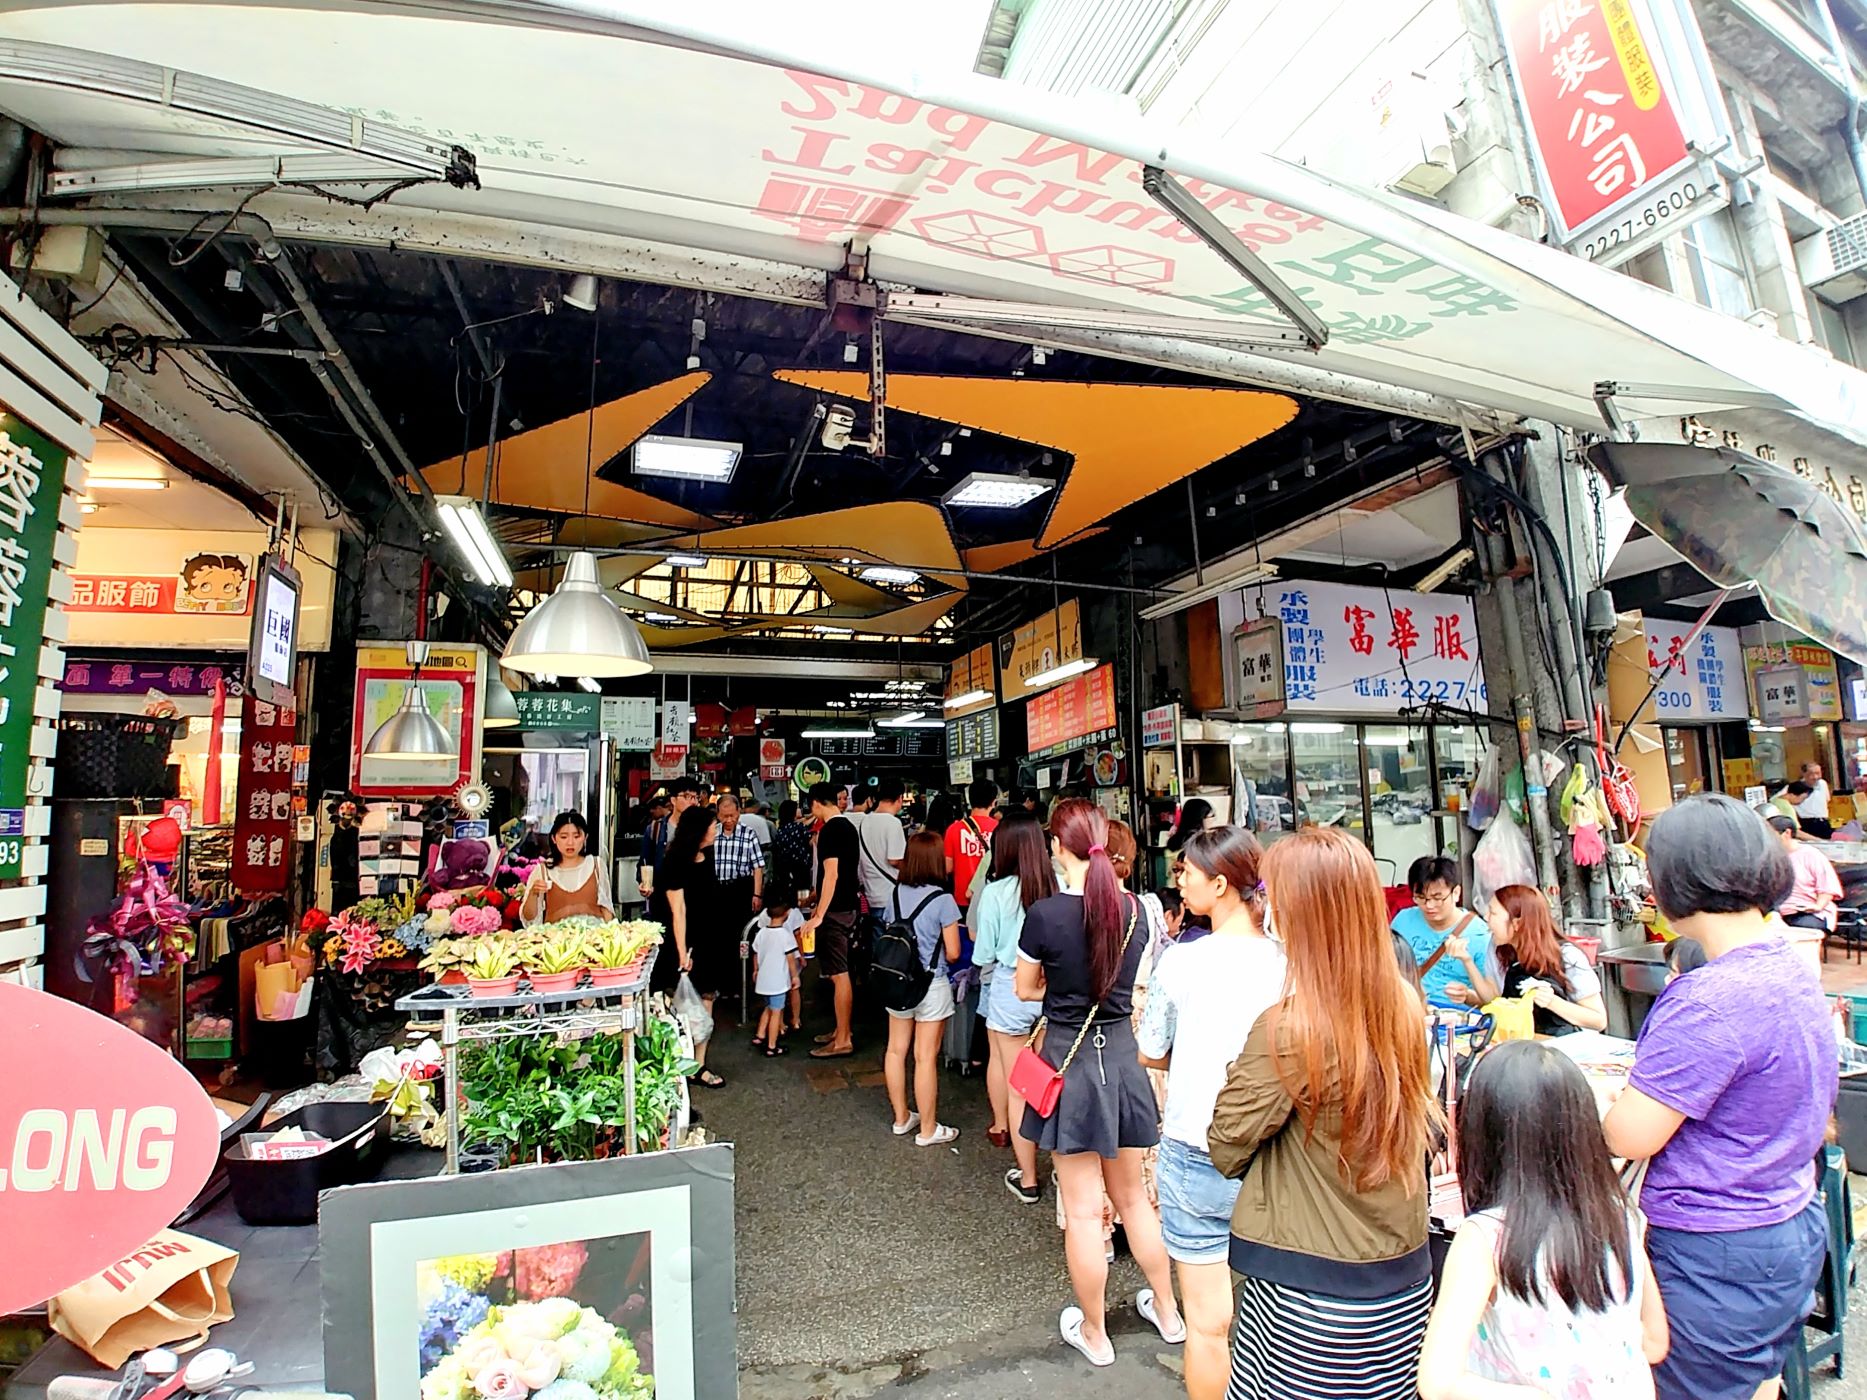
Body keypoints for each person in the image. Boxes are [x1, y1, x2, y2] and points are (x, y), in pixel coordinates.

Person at [1603, 794, 1836, 1400]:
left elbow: (1629, 1135)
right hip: (1789, 1223)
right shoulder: (1791, 966)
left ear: (1678, 880)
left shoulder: (1707, 998)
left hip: (1715, 1253)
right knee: (1754, 1383)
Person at [1208, 827, 1437, 1400]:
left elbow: (1226, 1142)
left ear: (1306, 913)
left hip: (1307, 1292)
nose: (1266, 904)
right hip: (1403, 1282)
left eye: (1273, 891)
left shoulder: (1290, 1027)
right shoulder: (1404, 1004)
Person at [1015, 797, 1184, 1369]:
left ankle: (1095, 1331)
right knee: (1137, 1201)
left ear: (1057, 847)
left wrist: (1063, 994)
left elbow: (1023, 988)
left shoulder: (1043, 915)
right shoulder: (1139, 909)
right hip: (1124, 1061)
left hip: (1072, 1059)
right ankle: (1168, 1311)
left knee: (1086, 1211)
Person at [1417, 1041, 1667, 1399]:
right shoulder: (1621, 1215)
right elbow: (1655, 1342)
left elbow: (1438, 1383)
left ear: (1481, 1132)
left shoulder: (1485, 1240)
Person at [1136, 826, 1283, 1400]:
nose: (1179, 881)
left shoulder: (1181, 962)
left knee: (1207, 1323)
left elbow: (1152, 1049)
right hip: (1274, 1152)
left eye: (1187, 873)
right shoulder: (1286, 962)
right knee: (1279, 1317)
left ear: (1220, 885)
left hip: (1195, 1149)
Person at [972, 810, 1056, 1199]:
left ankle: (1028, 1179)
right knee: (1054, 1082)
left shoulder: (995, 893)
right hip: (1054, 989)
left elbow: (983, 953)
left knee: (1019, 1086)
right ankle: (1062, 1168)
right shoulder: (1058, 885)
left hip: (1010, 990)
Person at [881, 831, 963, 1146]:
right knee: (925, 1057)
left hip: (898, 980)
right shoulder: (943, 900)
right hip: (931, 982)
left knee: (895, 1050)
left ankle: (902, 1118)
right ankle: (928, 1130)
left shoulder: (895, 894)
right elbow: (954, 952)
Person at [648, 804, 726, 1089]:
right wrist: (682, 951)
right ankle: (676, 1062)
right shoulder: (674, 862)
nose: (716, 830)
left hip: (708, 937)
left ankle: (698, 1064)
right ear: (699, 831)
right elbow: (677, 910)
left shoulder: (707, 855)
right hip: (681, 941)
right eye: (712, 826)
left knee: (706, 997)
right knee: (676, 1003)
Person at [1486, 884, 1607, 1036]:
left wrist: (1552, 1002)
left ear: (1517, 923)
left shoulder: (1568, 957)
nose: (1486, 918)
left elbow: (1599, 1020)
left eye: (1492, 913)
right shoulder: (1507, 952)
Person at [801, 781, 863, 1058]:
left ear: (816, 803)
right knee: (841, 971)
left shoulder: (830, 831)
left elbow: (833, 874)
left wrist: (819, 914)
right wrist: (815, 898)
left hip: (836, 911)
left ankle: (843, 1039)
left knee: (839, 975)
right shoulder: (848, 827)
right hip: (847, 905)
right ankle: (840, 1030)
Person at [1390, 855, 1498, 1010]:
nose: (1429, 906)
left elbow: (1491, 999)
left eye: (1437, 898)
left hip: (1456, 1018)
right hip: (1409, 1013)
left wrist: (1467, 996)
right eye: (1421, 898)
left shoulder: (1481, 934)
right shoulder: (1402, 921)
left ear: (1456, 893)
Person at [1769, 811, 1842, 972]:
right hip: (1777, 911)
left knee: (1801, 929)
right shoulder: (1770, 858)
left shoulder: (1811, 855)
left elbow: (1827, 888)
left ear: (1786, 833)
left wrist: (1817, 905)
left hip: (1808, 912)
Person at [520, 810, 614, 924]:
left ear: (585, 838)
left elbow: (607, 909)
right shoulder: (543, 871)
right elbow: (529, 918)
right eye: (564, 837)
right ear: (554, 839)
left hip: (592, 938)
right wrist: (533, 893)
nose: (570, 843)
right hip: (555, 939)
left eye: (576, 836)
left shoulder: (597, 866)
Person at [711, 793, 766, 956]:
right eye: (724, 816)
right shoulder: (712, 834)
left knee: (742, 933)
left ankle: (742, 971)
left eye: (732, 816)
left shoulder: (748, 834)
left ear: (739, 813)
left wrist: (757, 894)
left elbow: (758, 867)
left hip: (740, 889)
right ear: (718, 814)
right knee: (719, 933)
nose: (728, 820)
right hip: (718, 889)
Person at [850, 775, 908, 927]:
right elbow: (894, 860)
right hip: (890, 895)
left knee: (876, 944)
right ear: (900, 798)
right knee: (890, 945)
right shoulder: (893, 823)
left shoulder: (865, 821)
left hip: (871, 894)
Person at [751, 899, 801, 1057]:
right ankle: (772, 1045)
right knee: (776, 1012)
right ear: (786, 914)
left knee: (768, 1007)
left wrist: (755, 970)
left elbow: (755, 953)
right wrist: (794, 976)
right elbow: (790, 959)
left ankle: (760, 1035)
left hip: (763, 980)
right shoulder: (785, 936)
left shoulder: (762, 933)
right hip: (778, 981)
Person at [945, 779, 1000, 919]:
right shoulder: (1001, 829)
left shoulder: (953, 829)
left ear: (969, 800)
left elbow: (948, 868)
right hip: (993, 898)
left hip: (963, 898)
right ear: (994, 802)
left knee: (966, 938)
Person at [638, 777, 701, 896]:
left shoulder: (702, 830)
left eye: (696, 797)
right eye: (687, 796)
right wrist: (644, 883)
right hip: (663, 899)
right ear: (673, 800)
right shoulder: (655, 829)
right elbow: (645, 863)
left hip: (692, 900)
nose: (693, 802)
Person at [1797, 760, 1833, 839]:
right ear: (1804, 774)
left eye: (1818, 773)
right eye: (1811, 774)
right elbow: (1777, 799)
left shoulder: (1823, 783)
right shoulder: (1795, 786)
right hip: (1807, 822)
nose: (1815, 777)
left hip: (1823, 822)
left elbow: (1827, 799)